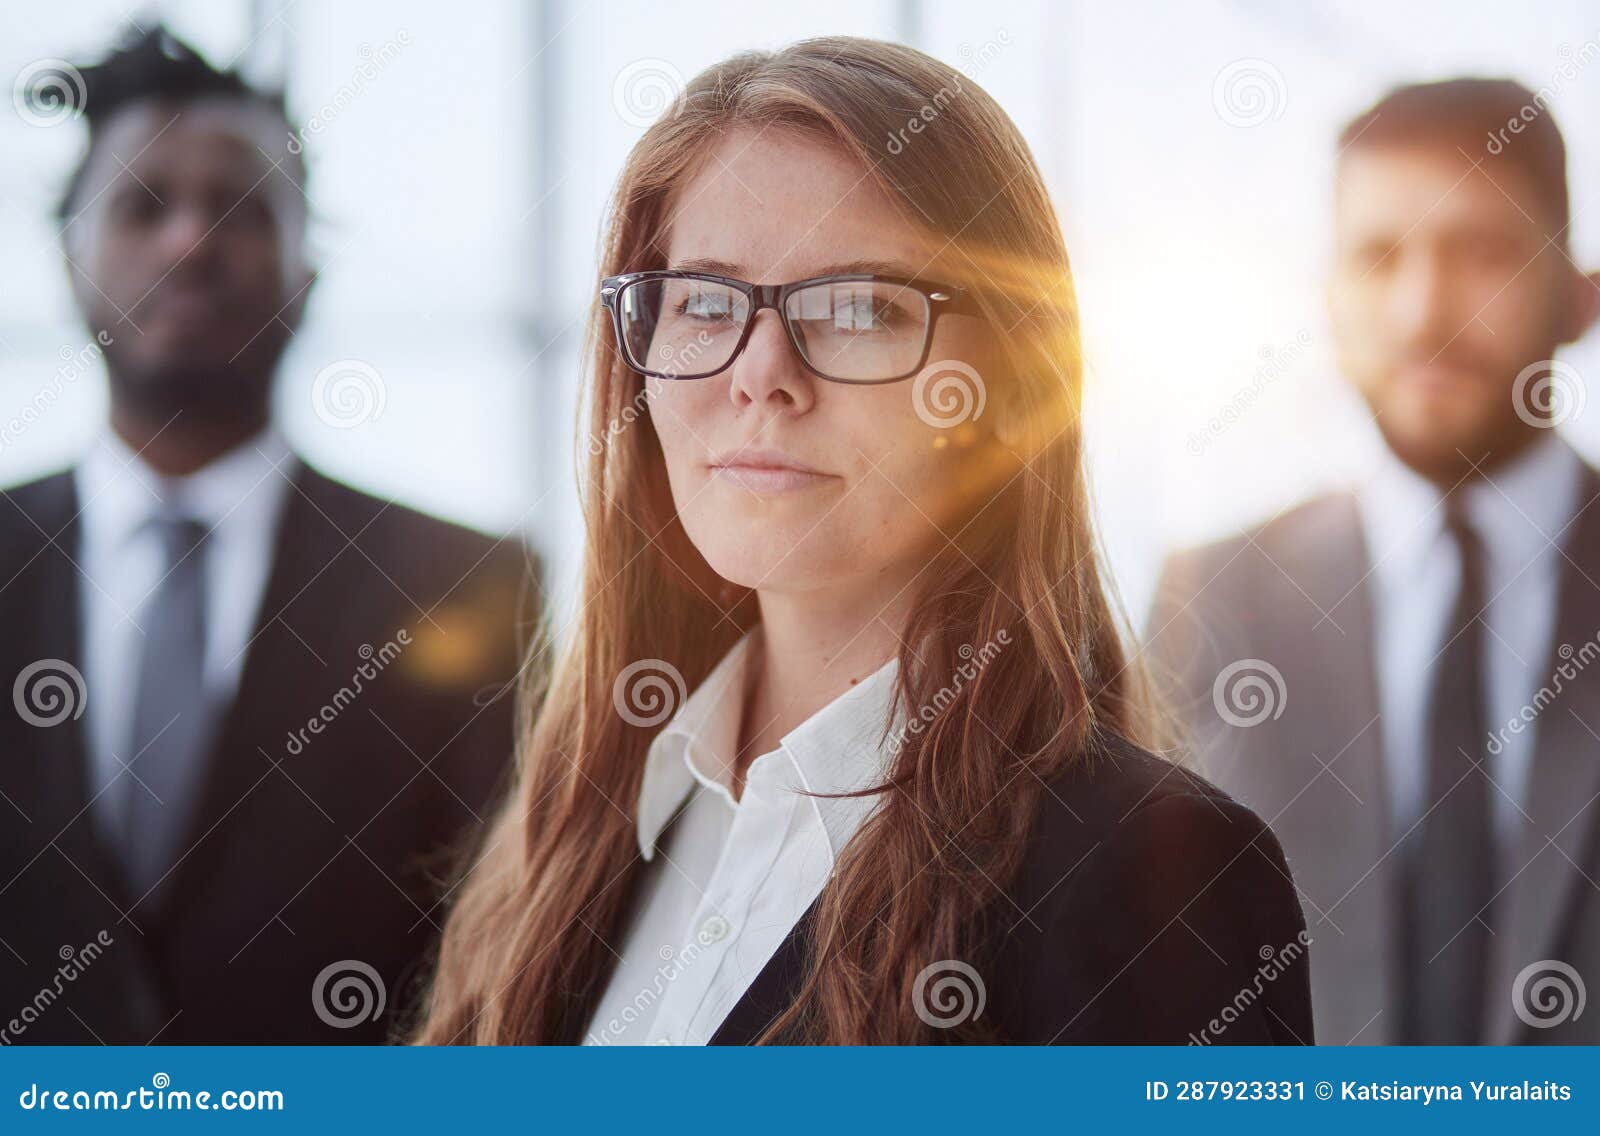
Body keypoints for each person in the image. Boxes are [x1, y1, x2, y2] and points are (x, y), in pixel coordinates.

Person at [411, 36, 1311, 1046]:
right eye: (705, 302)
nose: (760, 374)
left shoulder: (1150, 873)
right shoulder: (562, 839)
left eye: (856, 308)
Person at [0, 27, 536, 1044]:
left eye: (240, 207)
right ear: (67, 255)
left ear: (309, 263)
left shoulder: (474, 586)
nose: (190, 242)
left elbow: (508, 953)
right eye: (141, 203)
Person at [1148, 79, 1600, 1045]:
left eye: (1481, 252)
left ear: (1578, 295)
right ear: (1327, 297)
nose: (1424, 310)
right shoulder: (1210, 600)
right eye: (1378, 255)